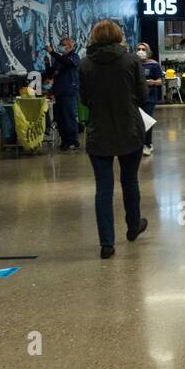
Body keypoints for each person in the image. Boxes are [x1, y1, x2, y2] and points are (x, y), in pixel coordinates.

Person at [79, 19, 147, 257]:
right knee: (130, 181)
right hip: (130, 128)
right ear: (119, 36)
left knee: (103, 189)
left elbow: (85, 98)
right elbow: (143, 93)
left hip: (99, 132)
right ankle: (133, 225)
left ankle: (107, 243)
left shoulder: (85, 64)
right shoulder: (131, 60)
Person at [45, 35, 81, 151]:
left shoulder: (74, 57)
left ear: (70, 46)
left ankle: (72, 140)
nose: (60, 47)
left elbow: (68, 63)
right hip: (59, 92)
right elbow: (51, 73)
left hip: (69, 91)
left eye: (63, 45)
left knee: (69, 116)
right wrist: (47, 64)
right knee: (60, 118)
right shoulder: (59, 60)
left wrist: (52, 52)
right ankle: (64, 140)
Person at [136, 42, 163, 157]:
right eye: (139, 49)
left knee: (146, 121)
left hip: (150, 97)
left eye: (143, 49)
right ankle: (139, 144)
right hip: (136, 98)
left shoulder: (154, 65)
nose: (141, 51)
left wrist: (152, 82)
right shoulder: (134, 64)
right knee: (137, 122)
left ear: (148, 51)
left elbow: (160, 81)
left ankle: (148, 144)